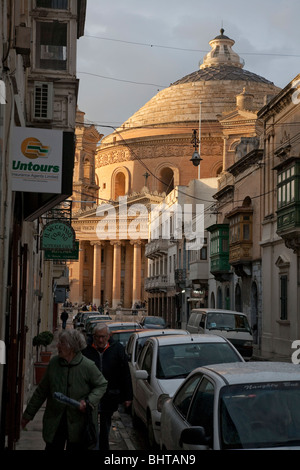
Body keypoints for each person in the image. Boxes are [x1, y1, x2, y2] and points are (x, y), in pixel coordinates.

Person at [21, 329, 107, 451]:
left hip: (79, 424)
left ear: (71, 347)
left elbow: (102, 385)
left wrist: (89, 401)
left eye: (61, 343)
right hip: (56, 422)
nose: (57, 346)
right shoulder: (54, 364)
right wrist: (28, 415)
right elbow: (41, 392)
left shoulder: (87, 366)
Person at [82, 323, 133, 451]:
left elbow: (125, 373)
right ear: (93, 336)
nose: (100, 340)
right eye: (98, 337)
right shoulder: (86, 351)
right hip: (91, 395)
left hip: (110, 395)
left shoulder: (117, 349)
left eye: (103, 337)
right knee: (91, 424)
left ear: (108, 336)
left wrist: (128, 396)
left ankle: (103, 447)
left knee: (105, 425)